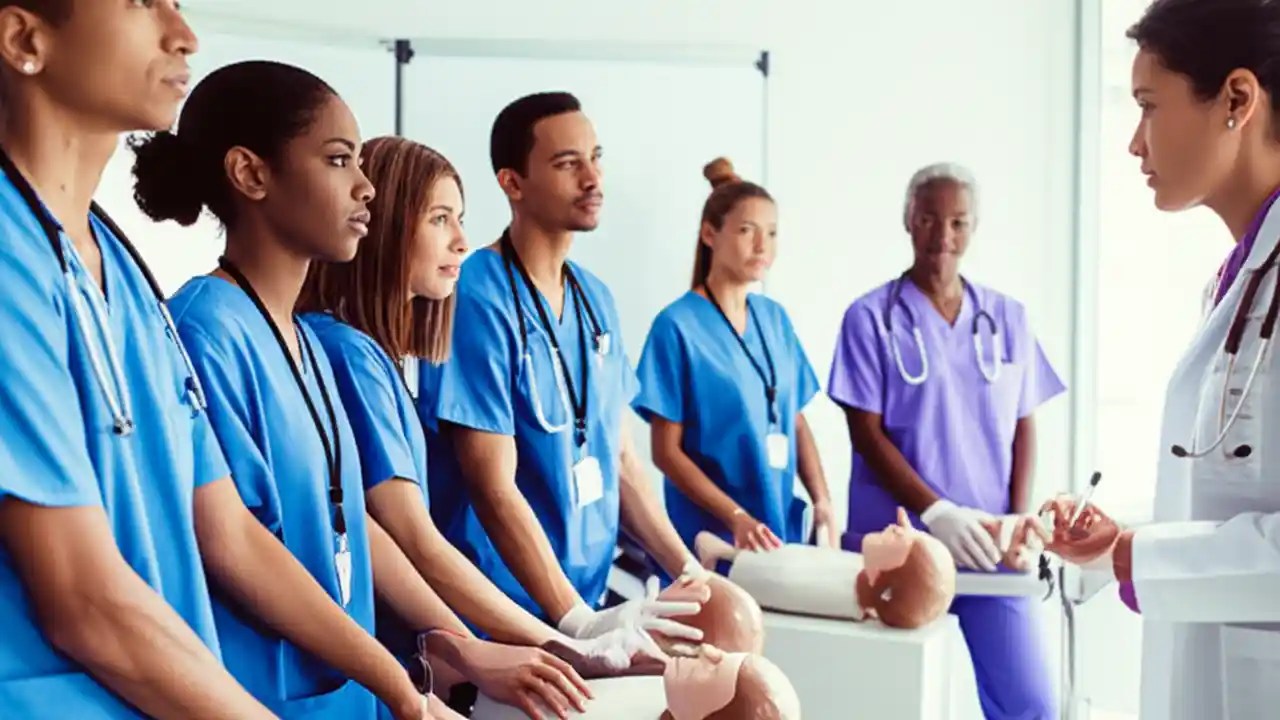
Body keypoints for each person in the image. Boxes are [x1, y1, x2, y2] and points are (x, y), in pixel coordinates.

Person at [131, 61, 587, 720]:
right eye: (340, 160)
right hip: (266, 697)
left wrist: (459, 646)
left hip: (351, 695)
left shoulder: (306, 343)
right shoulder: (205, 331)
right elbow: (234, 547)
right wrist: (412, 677)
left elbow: (356, 524)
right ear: (251, 173)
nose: (366, 188)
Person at [298, 136, 659, 686]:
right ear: (386, 225)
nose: (462, 242)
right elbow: (412, 537)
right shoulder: (349, 354)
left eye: (459, 219)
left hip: (438, 639)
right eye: (440, 219)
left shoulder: (381, 359)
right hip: (400, 648)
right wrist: (564, 639)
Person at [0, 3, 275, 717]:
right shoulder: (9, 257)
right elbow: (82, 600)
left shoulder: (121, 268)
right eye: (139, 1)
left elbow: (224, 525)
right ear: (24, 39)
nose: (184, 35)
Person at [1042, 1, 1280, 717]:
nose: (1134, 145)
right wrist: (1126, 536)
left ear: (1236, 99)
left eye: (1149, 107)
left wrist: (1134, 556)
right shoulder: (1238, 281)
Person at [419, 91, 708, 645]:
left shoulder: (595, 300)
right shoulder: (476, 293)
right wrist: (574, 621)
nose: (593, 178)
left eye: (595, 157)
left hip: (588, 604)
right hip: (507, 617)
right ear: (512, 182)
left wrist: (688, 571)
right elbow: (490, 483)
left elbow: (622, 464)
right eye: (567, 163)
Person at [827, 162, 1066, 719]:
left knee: (1031, 705)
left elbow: (1023, 420)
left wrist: (1015, 519)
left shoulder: (1007, 317)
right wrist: (938, 512)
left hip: (988, 545)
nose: (943, 237)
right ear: (910, 222)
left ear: (973, 228)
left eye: (958, 222)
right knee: (891, 704)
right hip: (900, 544)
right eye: (930, 219)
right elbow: (865, 433)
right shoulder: (870, 318)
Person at [633, 156, 834, 559]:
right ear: (710, 234)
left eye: (772, 233)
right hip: (714, 537)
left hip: (778, 534)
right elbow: (666, 453)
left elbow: (794, 418)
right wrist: (735, 515)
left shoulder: (774, 319)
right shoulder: (677, 327)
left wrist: (823, 500)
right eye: (747, 231)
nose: (763, 246)